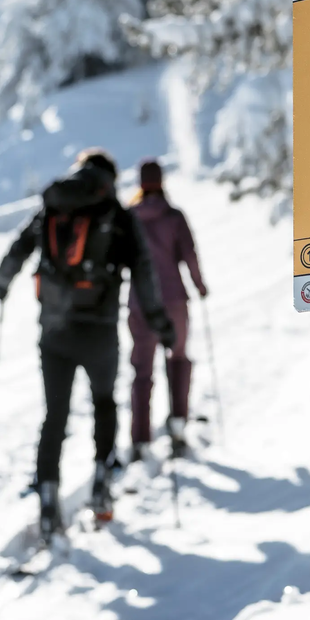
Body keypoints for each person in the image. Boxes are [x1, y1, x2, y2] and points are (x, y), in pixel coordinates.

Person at [0, 148, 175, 540]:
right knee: (104, 403)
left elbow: (21, 246)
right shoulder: (117, 214)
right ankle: (101, 483)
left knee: (54, 414)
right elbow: (144, 271)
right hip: (99, 329)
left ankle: (47, 495)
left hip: (54, 330)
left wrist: (1, 283)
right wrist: (160, 321)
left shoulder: (55, 206)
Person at [127, 158, 207, 461]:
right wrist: (199, 286)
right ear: (162, 181)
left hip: (139, 304)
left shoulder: (130, 217)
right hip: (173, 299)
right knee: (177, 358)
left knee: (142, 371)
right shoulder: (174, 216)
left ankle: (140, 440)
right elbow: (189, 255)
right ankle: (176, 426)